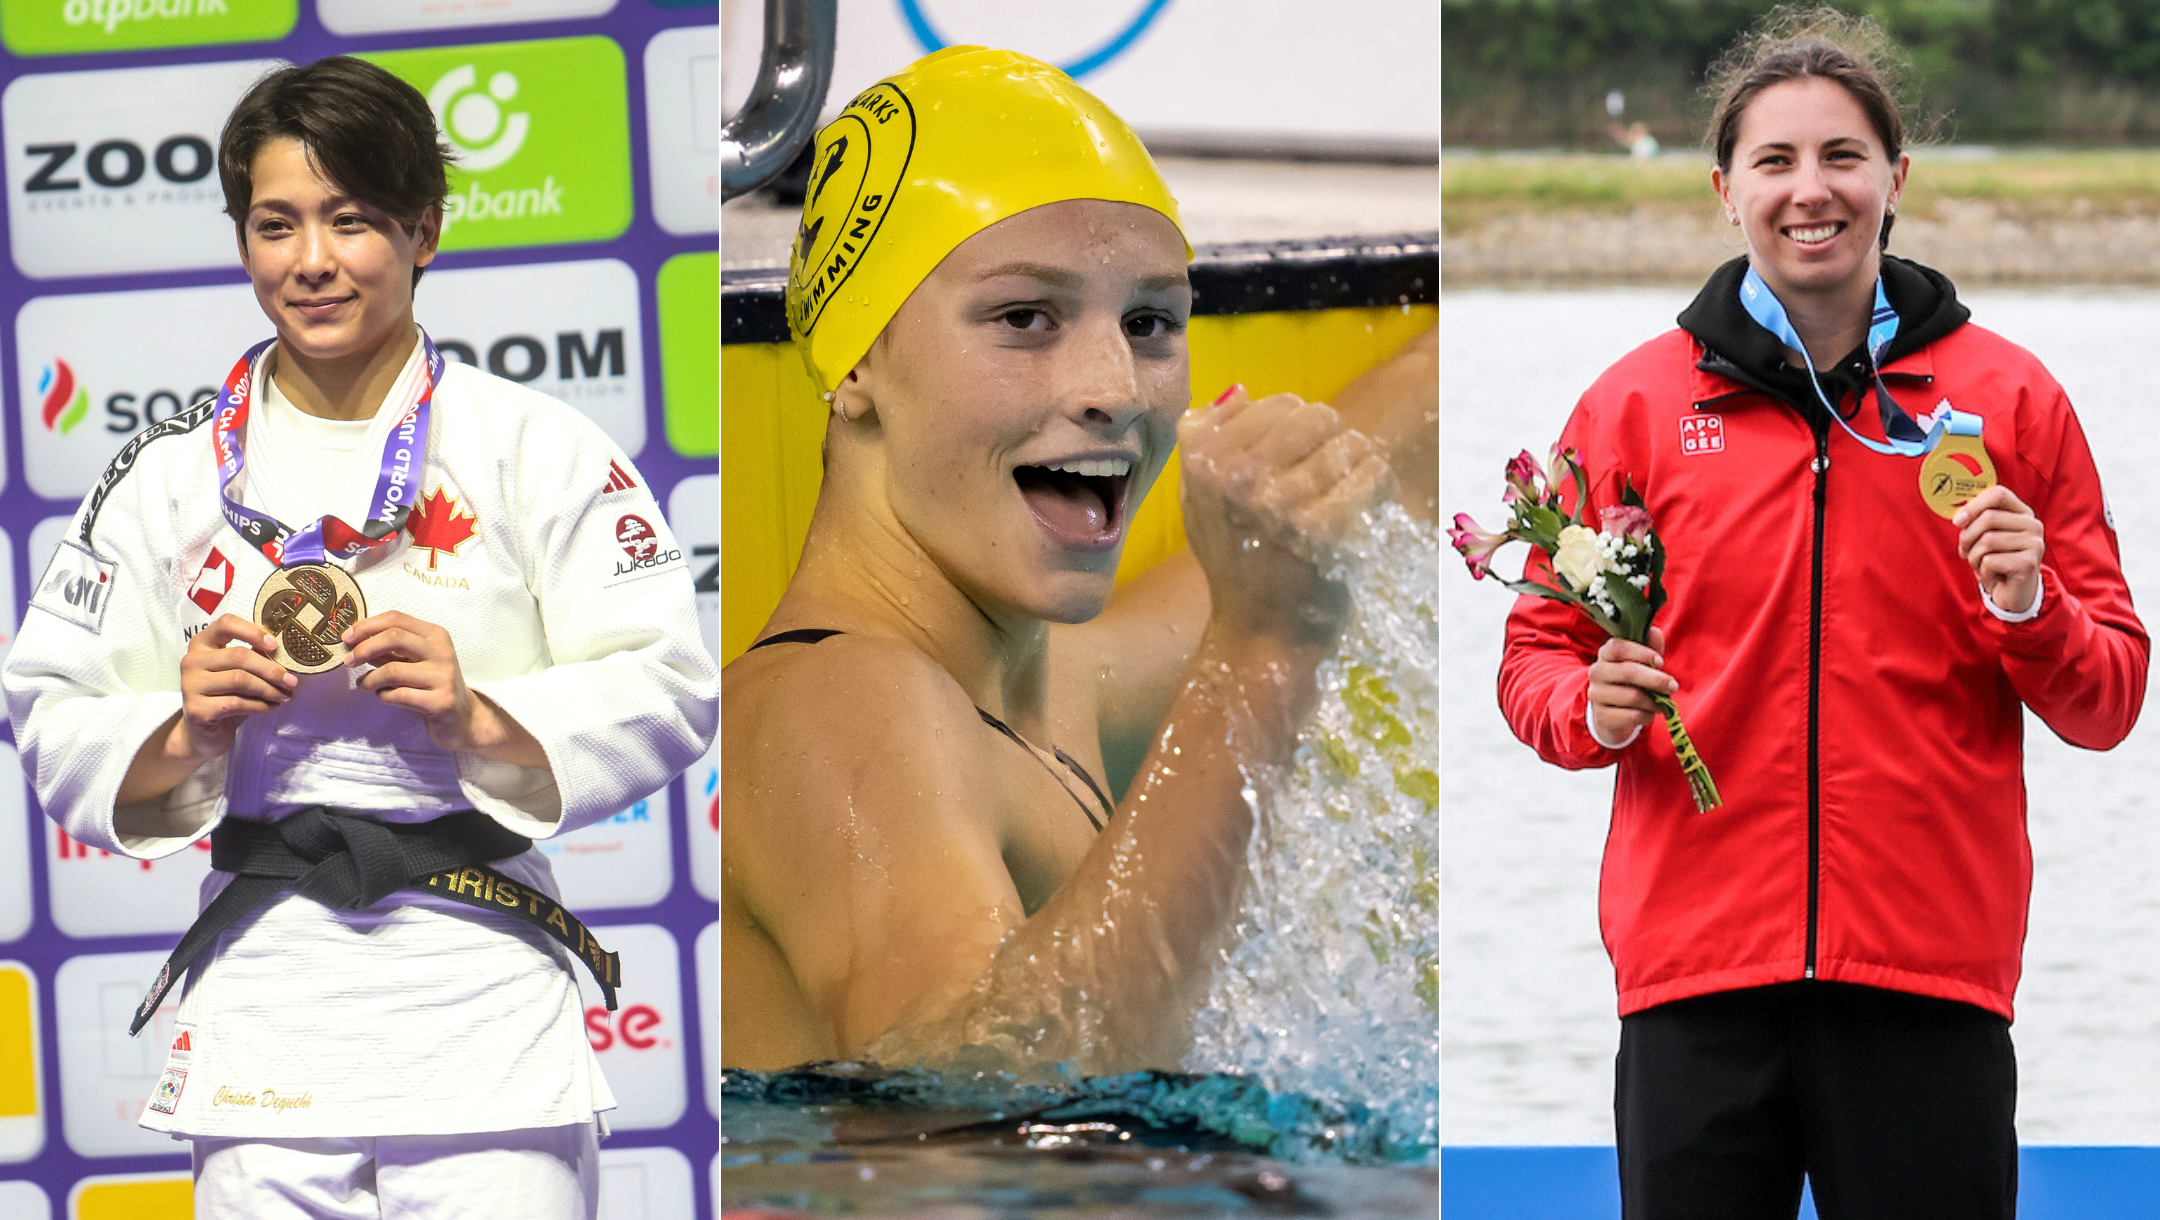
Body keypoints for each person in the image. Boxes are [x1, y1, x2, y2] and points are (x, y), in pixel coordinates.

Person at [2, 57, 715, 1219]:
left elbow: (673, 679)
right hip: (269, 995)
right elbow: (47, 703)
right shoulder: (165, 475)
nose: (312, 260)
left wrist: (477, 711)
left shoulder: (536, 445)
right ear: (242, 242)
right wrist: (183, 730)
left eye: (352, 220)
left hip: (479, 988)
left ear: (425, 228)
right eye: (276, 224)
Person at [1497, 11, 2145, 1219]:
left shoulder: (2010, 398)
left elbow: (2109, 698)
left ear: (1896, 180)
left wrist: (2030, 603)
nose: (1813, 191)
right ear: (1723, 188)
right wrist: (1589, 707)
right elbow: (1535, 659)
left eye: (1843, 157)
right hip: (1694, 976)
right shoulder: (1636, 404)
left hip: (1927, 974)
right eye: (1776, 161)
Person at [721, 47, 1430, 1074]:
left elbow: (1389, 459)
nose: (1117, 385)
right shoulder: (844, 696)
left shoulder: (1048, 695)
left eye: (1149, 322)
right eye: (1024, 318)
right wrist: (1263, 647)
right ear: (858, 359)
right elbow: (970, 1083)